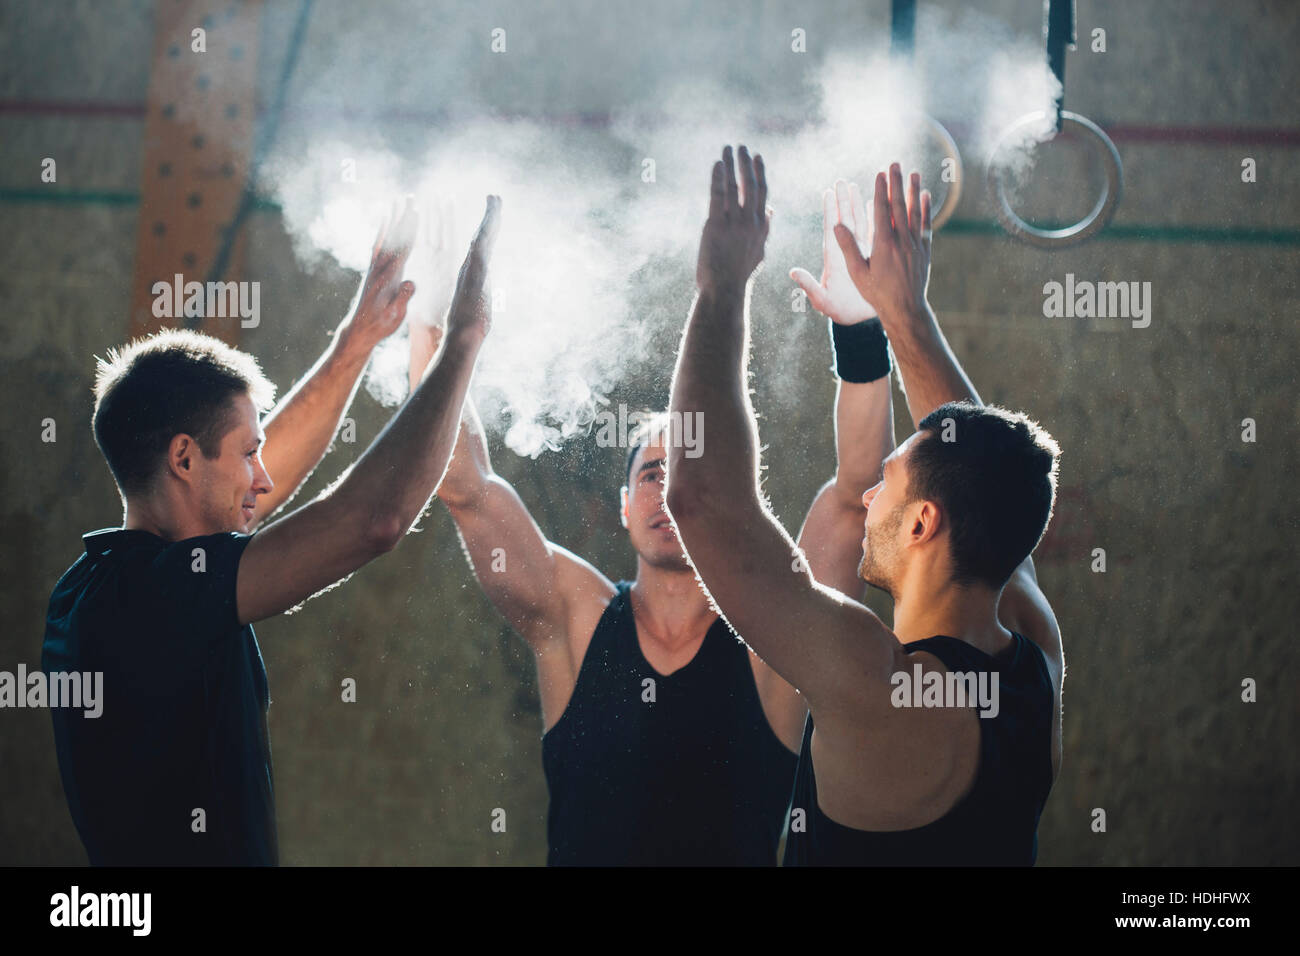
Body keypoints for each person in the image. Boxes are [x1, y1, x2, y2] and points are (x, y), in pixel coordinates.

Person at [405, 198, 894, 865]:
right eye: (650, 474)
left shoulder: (774, 641)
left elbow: (855, 501)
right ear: (623, 506)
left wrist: (862, 333)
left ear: (718, 501)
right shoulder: (574, 618)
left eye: (684, 476)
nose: (666, 491)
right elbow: (464, 485)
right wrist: (434, 326)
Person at [42, 197, 502, 865]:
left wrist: (356, 342)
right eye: (246, 451)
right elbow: (372, 521)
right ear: (181, 458)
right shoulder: (161, 597)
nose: (263, 478)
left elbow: (244, 489)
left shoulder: (92, 585)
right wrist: (463, 339)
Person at [666, 146, 1064, 865]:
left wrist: (720, 286)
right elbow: (984, 477)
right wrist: (888, 318)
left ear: (922, 523)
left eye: (888, 482)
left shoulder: (877, 686)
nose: (868, 494)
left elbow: (699, 499)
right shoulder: (1034, 656)